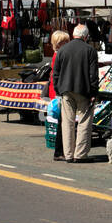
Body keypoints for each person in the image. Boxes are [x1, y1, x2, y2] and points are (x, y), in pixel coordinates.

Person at [53, 24, 99, 162]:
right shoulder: (90, 50)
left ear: (73, 35)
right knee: (84, 122)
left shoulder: (62, 50)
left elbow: (56, 73)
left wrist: (58, 89)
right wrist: (94, 92)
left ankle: (68, 154)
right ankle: (80, 154)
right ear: (86, 36)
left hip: (66, 90)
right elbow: (93, 75)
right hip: (83, 91)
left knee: (67, 123)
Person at [48, 30, 71, 161]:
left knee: (62, 122)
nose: (67, 44)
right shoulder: (58, 56)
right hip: (59, 92)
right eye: (65, 42)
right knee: (63, 122)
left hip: (57, 91)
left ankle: (60, 151)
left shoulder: (58, 54)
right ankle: (59, 151)